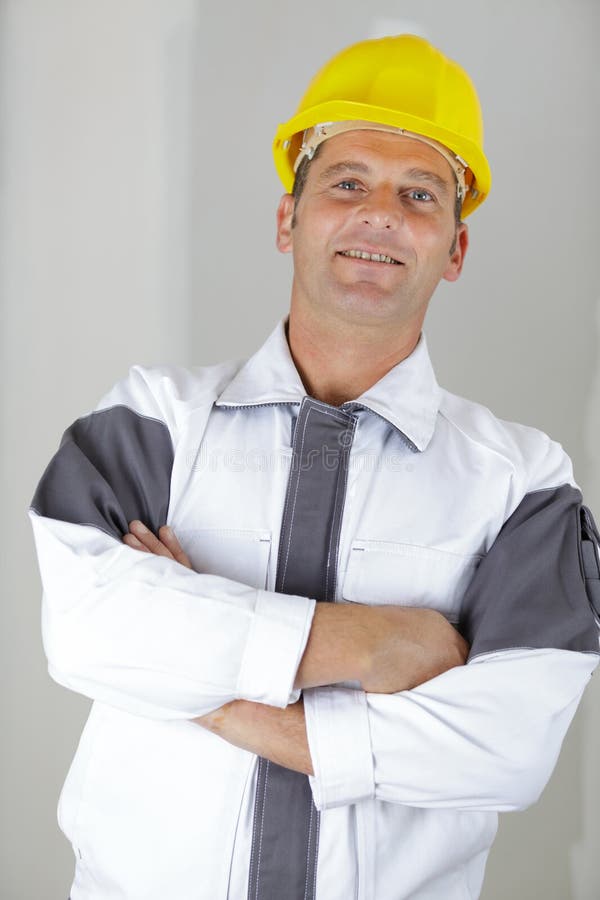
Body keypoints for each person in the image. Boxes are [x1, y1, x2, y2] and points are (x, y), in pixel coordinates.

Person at [29, 34, 600, 900]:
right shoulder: (152, 419)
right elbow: (84, 631)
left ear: (454, 249)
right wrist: (376, 644)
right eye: (347, 182)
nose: (380, 213)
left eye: (419, 194)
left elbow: (507, 750)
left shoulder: (525, 484)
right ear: (288, 219)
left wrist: (204, 688)